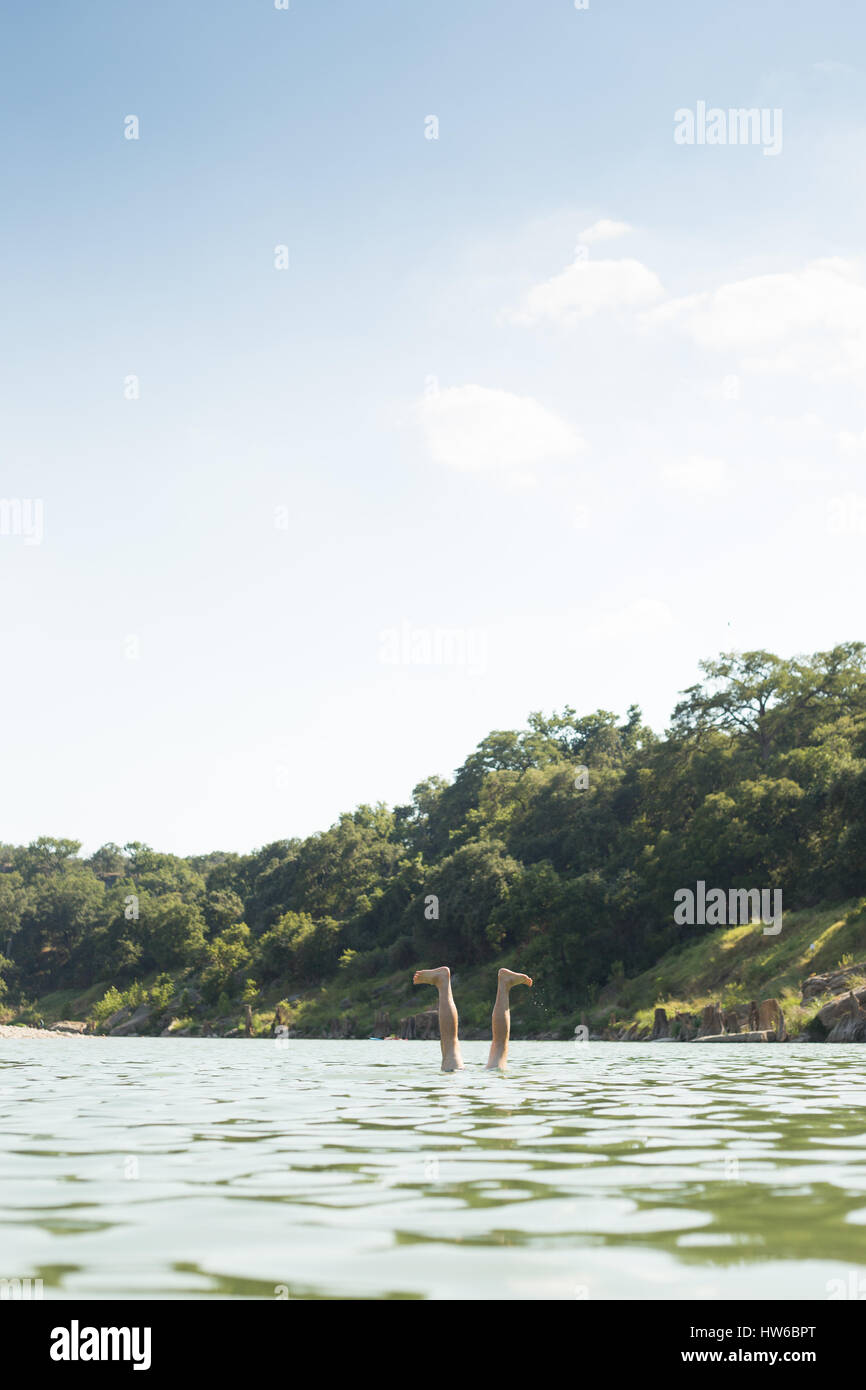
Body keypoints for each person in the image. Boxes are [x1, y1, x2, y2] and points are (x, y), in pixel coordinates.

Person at [412, 966, 532, 1071]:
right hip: (494, 1080)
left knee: (450, 1046)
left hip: (454, 1075)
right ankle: (505, 983)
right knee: (499, 1048)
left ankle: (442, 981)